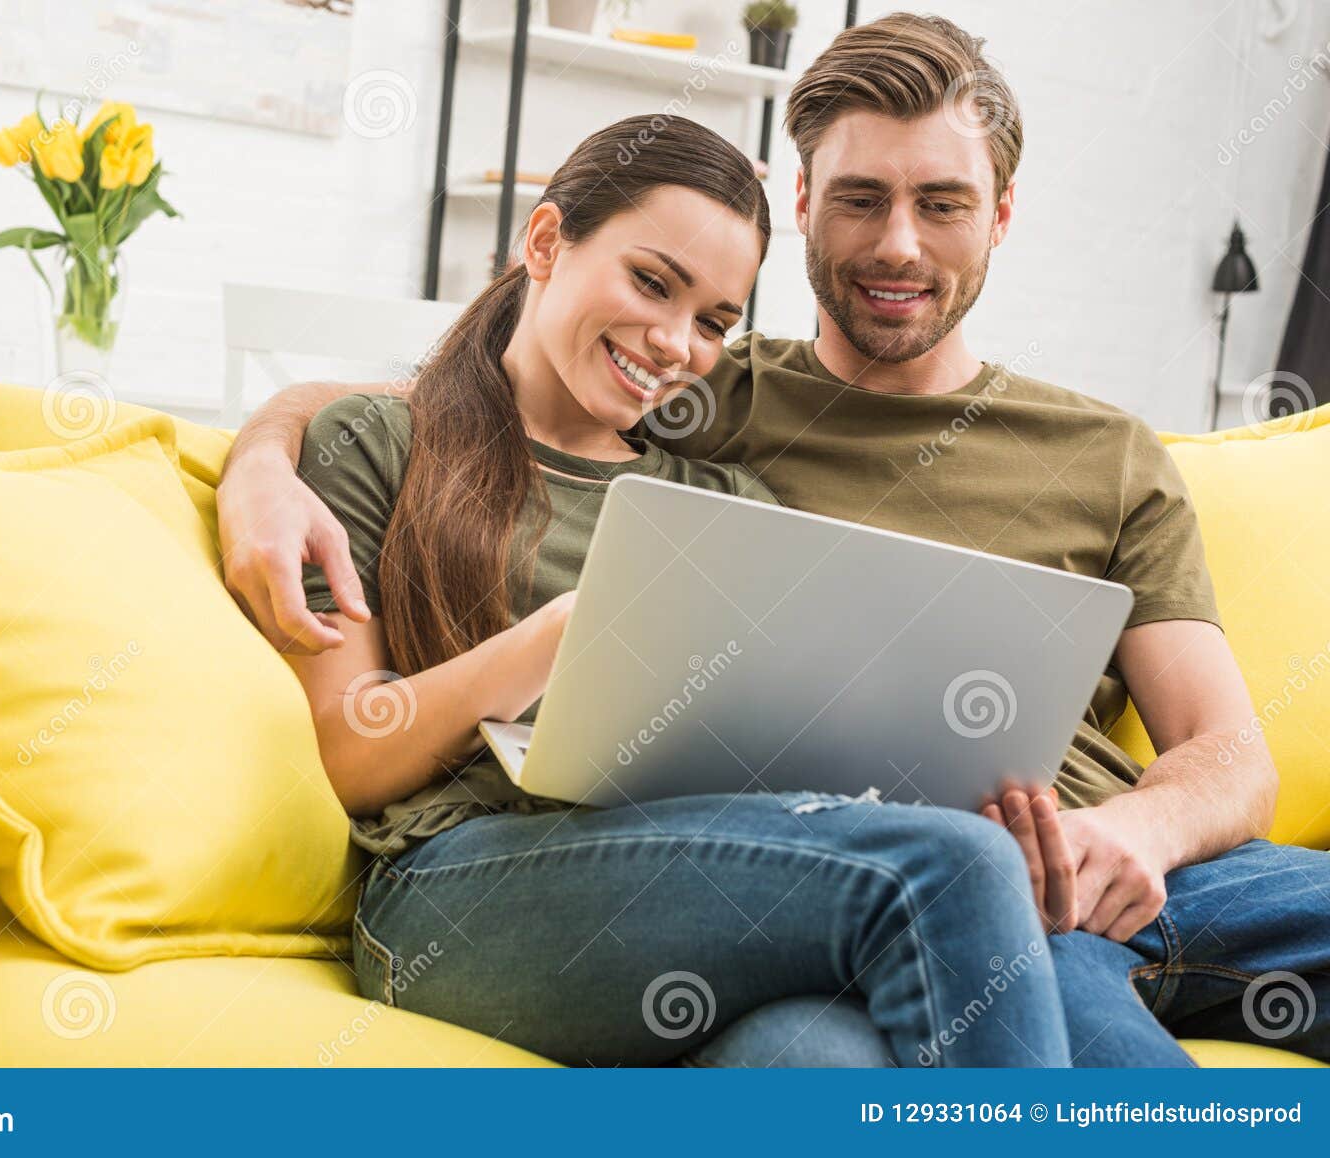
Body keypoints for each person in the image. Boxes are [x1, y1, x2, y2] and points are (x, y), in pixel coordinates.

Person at [219, 16, 1330, 1066]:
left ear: (998, 215)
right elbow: (459, 403)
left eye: (941, 202)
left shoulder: (1091, 452)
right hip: (920, 876)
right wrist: (265, 457)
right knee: (895, 983)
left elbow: (1230, 756)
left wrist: (1137, 829)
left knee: (819, 1042)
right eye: (860, 199)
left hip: (1138, 868)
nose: (897, 244)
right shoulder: (702, 404)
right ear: (804, 204)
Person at [249, 111, 1070, 1068]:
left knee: (815, 1059)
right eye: (652, 283)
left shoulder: (722, 503)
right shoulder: (374, 445)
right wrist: (562, 635)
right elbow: (346, 752)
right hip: (449, 893)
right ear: (547, 242)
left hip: (687, 891)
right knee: (949, 868)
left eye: (715, 321)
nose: (677, 343)